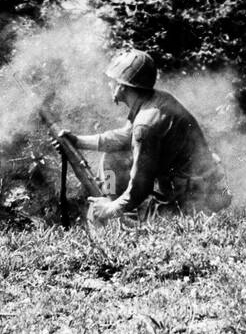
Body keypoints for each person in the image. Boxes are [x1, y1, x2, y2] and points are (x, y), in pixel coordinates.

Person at [59, 49, 232, 223]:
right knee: (112, 156)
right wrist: (77, 141)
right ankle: (112, 204)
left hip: (195, 197)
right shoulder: (154, 101)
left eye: (112, 81)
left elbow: (141, 186)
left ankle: (115, 214)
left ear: (121, 86)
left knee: (143, 228)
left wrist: (112, 209)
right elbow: (123, 137)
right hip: (194, 184)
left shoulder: (145, 124)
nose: (109, 85)